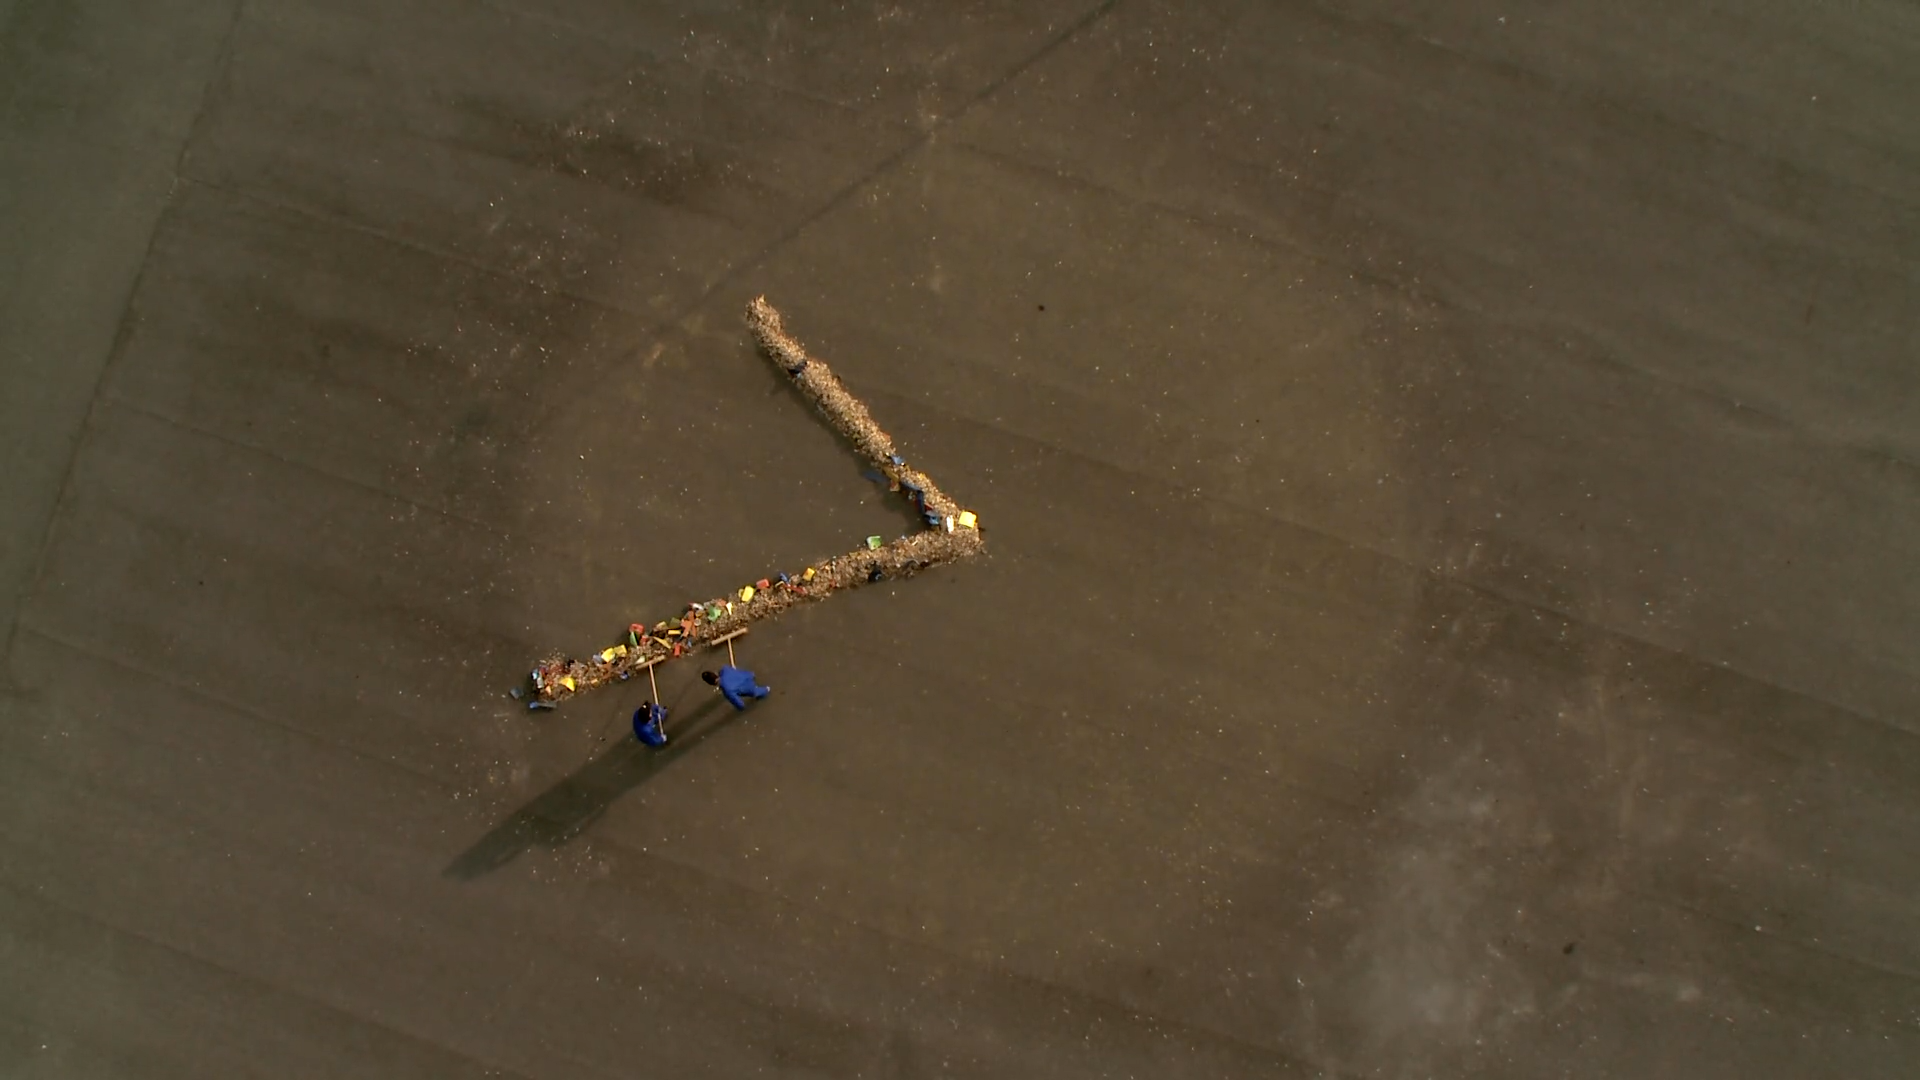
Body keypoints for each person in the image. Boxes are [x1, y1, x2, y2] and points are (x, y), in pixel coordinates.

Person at [702, 666, 770, 711]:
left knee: (755, 692)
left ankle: (767, 689)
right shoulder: (725, 669)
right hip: (749, 675)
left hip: (749, 687)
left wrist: (740, 708)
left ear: (712, 683)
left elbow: (740, 704)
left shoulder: (727, 691)